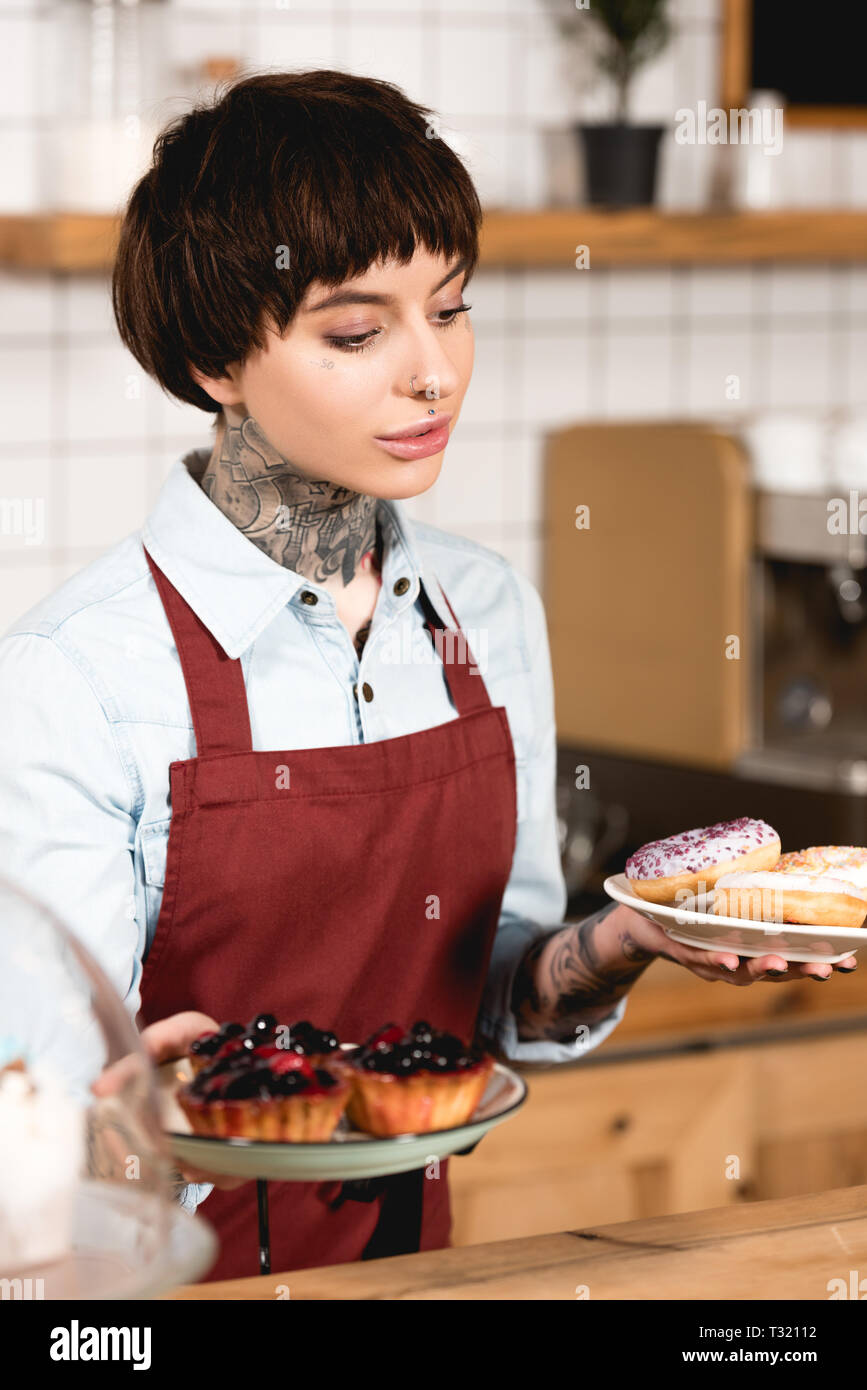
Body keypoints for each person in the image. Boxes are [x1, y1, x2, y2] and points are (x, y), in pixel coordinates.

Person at [0, 70, 854, 1282]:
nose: (432, 372)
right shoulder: (73, 677)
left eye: (449, 309)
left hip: (418, 1272)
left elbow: (492, 997)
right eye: (358, 332)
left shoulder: (484, 614)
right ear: (212, 361)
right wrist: (126, 1113)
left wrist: (627, 938)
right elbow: (37, 1147)